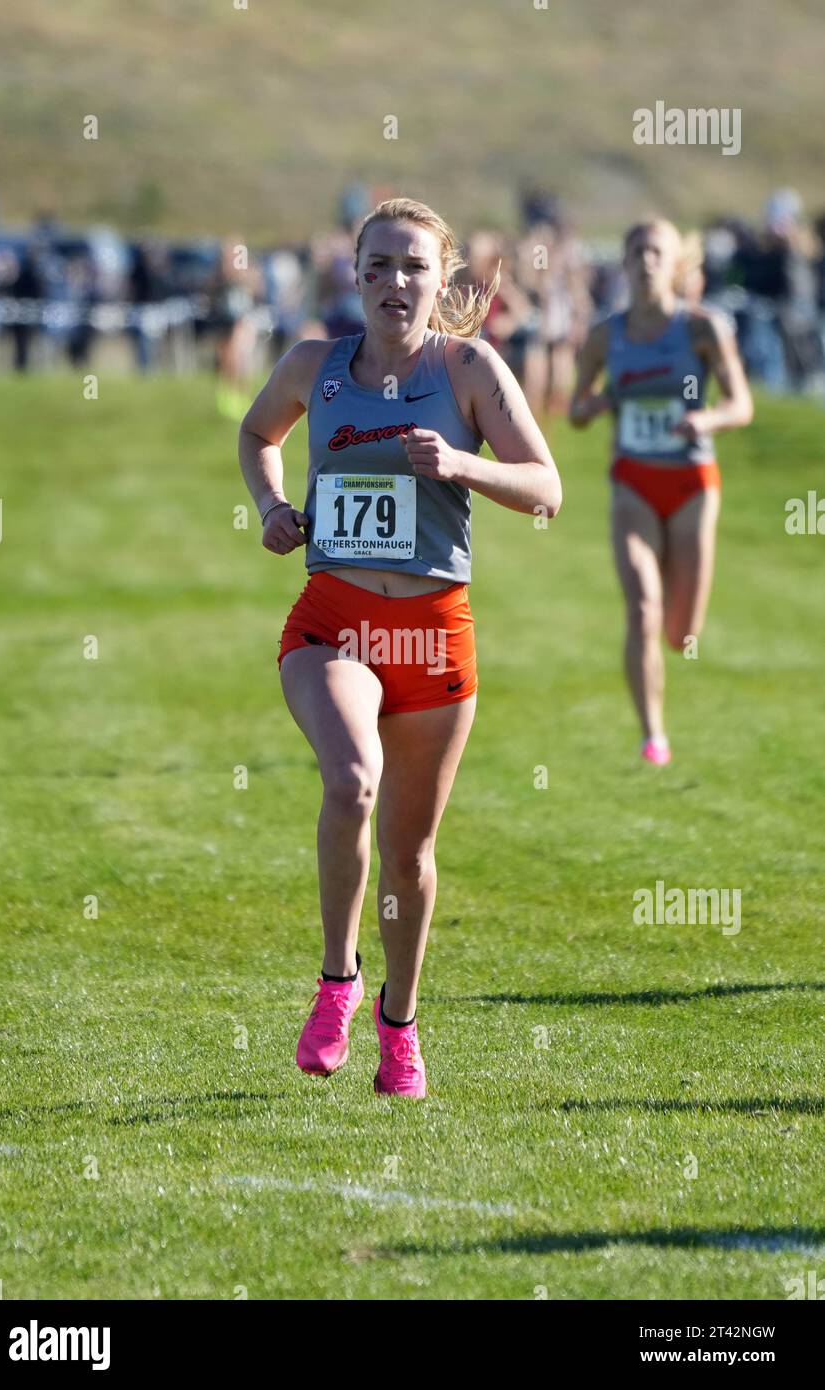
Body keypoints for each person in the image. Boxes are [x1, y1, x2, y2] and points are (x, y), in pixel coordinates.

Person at [238, 197, 561, 1097]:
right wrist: (272, 508)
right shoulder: (315, 365)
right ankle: (337, 983)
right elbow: (257, 432)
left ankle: (400, 1023)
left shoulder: (469, 369)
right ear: (355, 275)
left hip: (433, 635)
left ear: (441, 279)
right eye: (377, 265)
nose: (394, 282)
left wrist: (463, 464)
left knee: (411, 855)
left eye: (413, 266)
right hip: (332, 621)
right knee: (352, 783)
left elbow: (547, 487)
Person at [570, 218, 753, 764]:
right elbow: (576, 407)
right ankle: (654, 735)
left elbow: (741, 404)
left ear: (675, 264)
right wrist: (597, 404)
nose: (646, 261)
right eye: (636, 252)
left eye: (656, 252)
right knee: (642, 610)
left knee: (680, 631)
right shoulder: (607, 336)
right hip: (634, 481)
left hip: (693, 482)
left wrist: (708, 421)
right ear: (624, 264)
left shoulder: (703, 328)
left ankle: (670, 659)